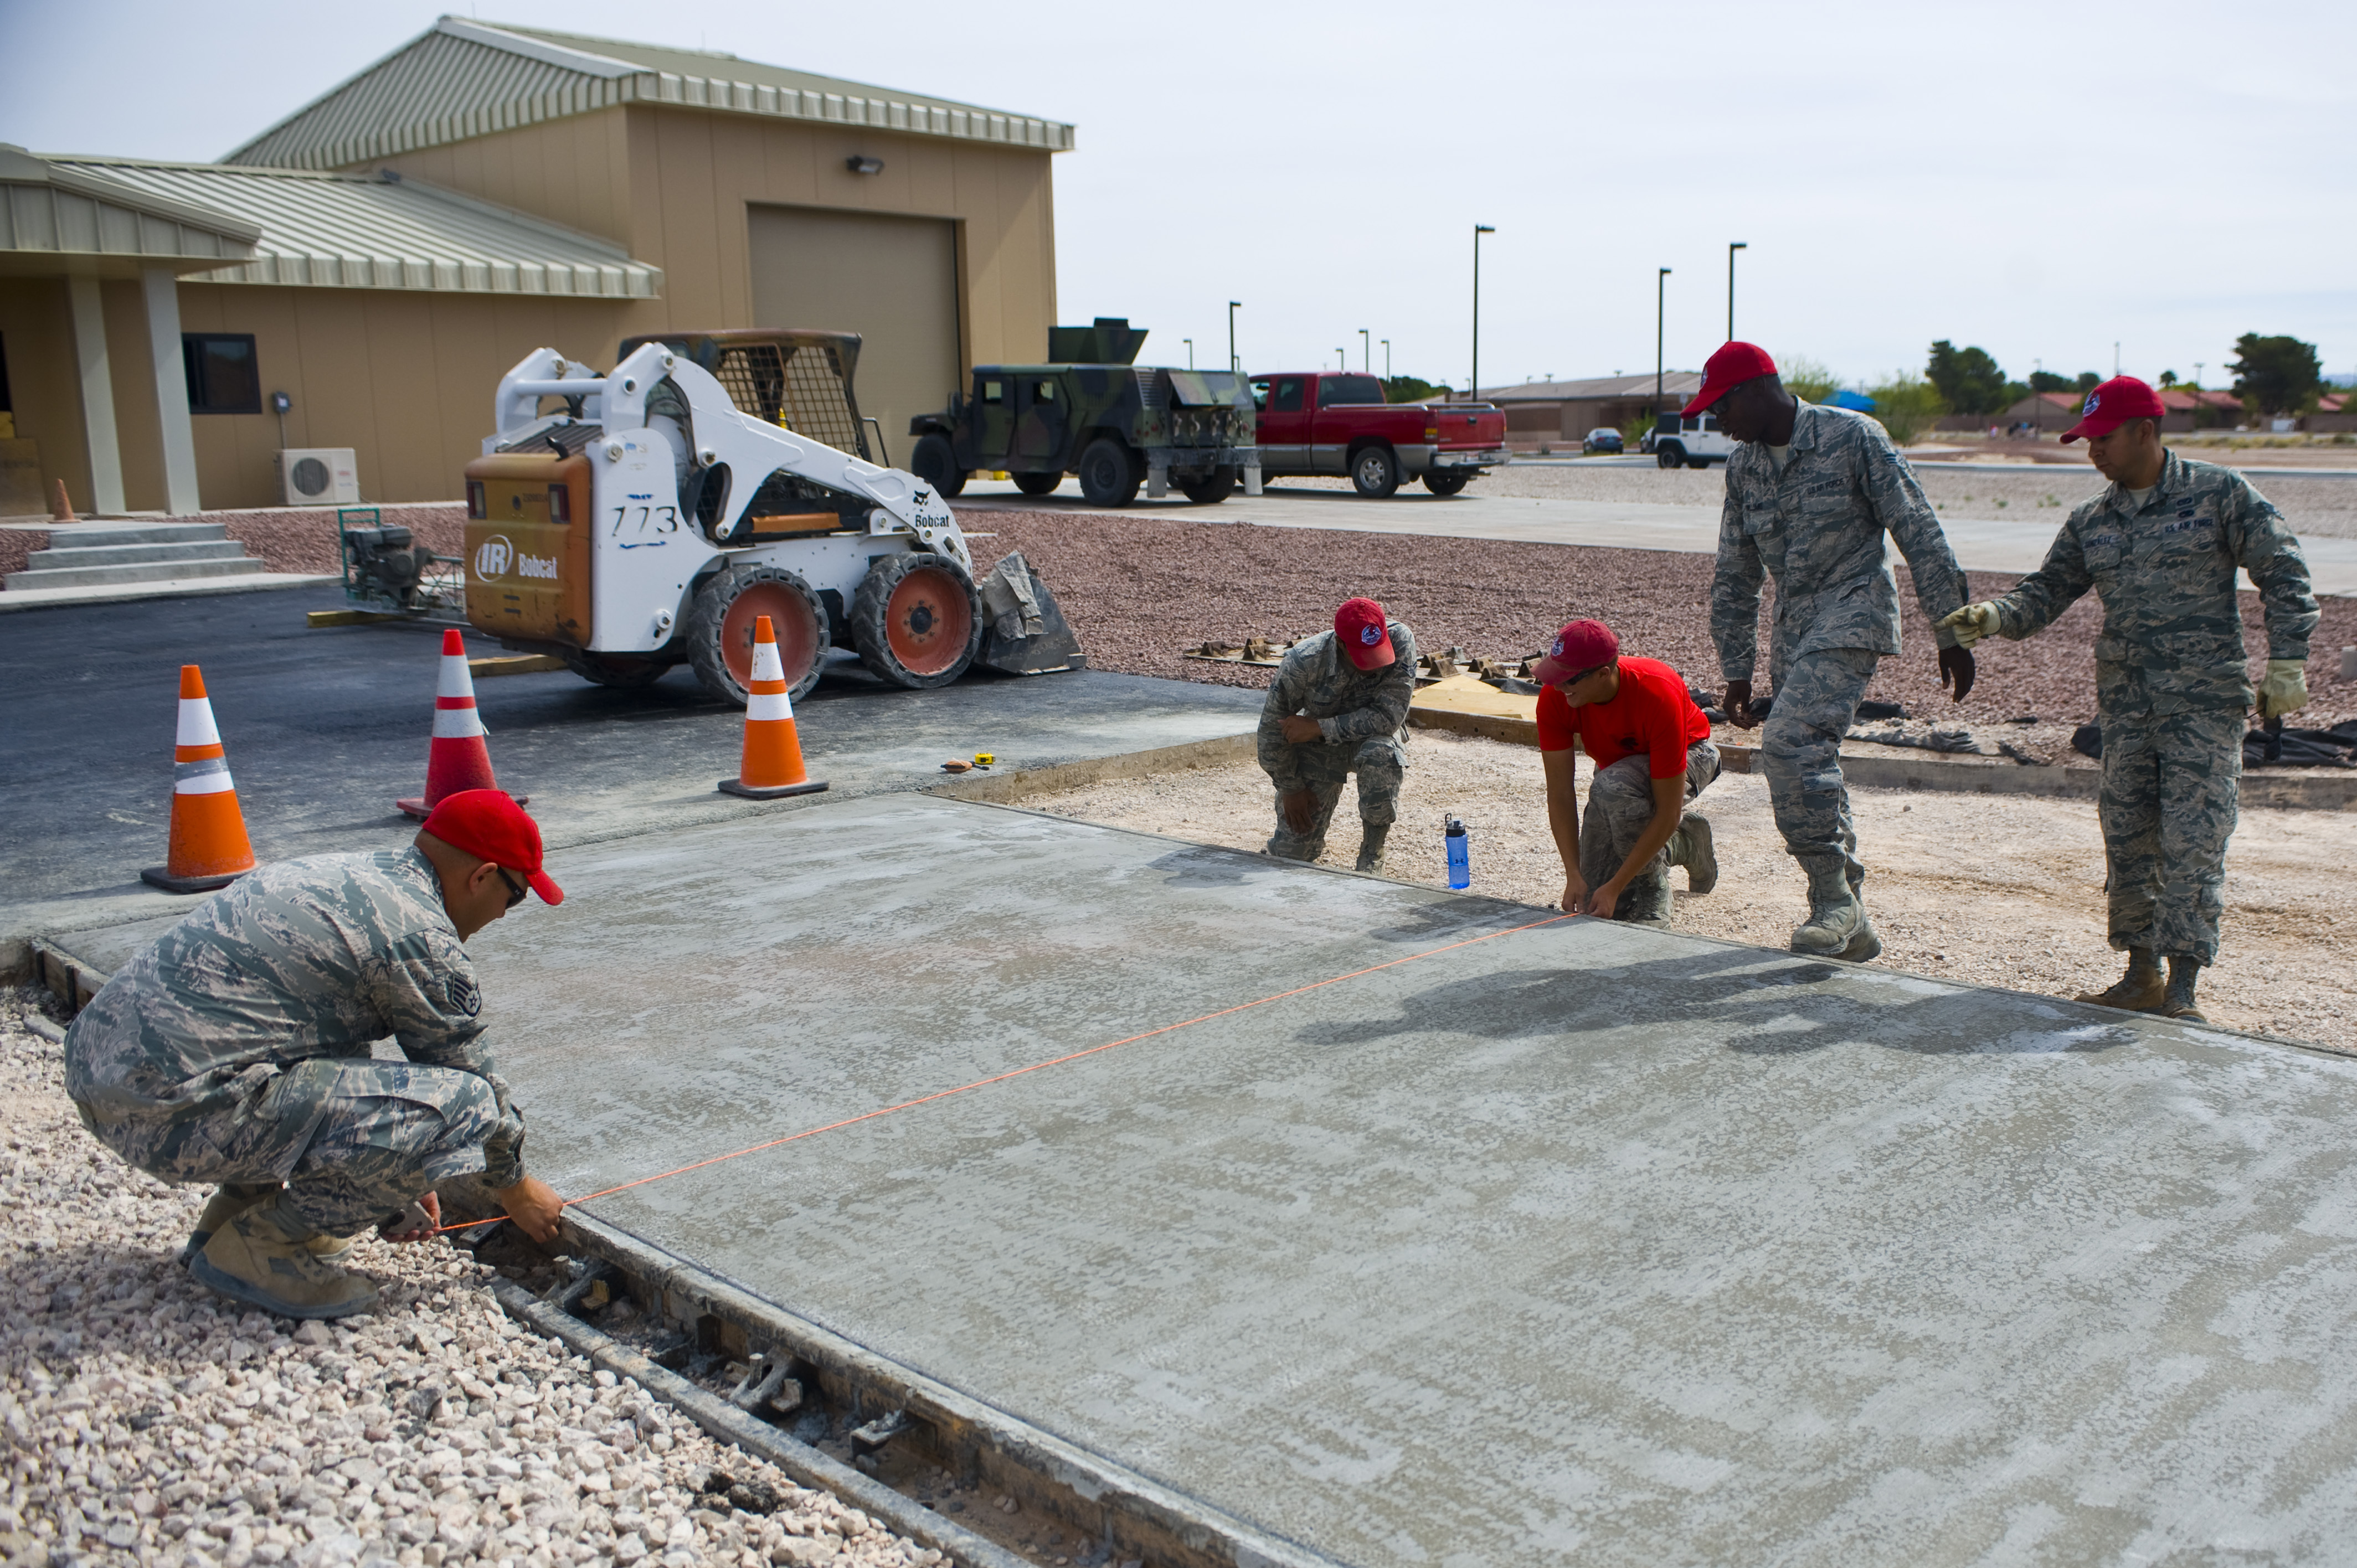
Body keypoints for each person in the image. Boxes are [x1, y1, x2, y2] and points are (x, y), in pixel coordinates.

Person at [65, 790, 568, 1319]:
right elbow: (471, 1078)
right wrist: (516, 1189)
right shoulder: (419, 933)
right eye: (515, 897)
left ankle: (237, 1216)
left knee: (321, 1045)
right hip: (164, 1116)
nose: (507, 915)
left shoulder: (338, 876)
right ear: (482, 876)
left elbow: (321, 1048)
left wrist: (388, 1177)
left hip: (99, 1077)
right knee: (466, 1105)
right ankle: (264, 1248)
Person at [1940, 377, 2317, 1023]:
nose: (2093, 452)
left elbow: (2283, 572)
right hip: (2127, 708)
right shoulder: (2093, 519)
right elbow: (2047, 590)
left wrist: (2286, 661)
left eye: (2103, 438)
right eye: (2086, 441)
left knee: (2194, 839)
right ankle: (2139, 974)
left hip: (2201, 705)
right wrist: (1995, 616)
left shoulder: (2218, 494)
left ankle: (2183, 989)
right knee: (2128, 837)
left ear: (2145, 430)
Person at [1703, 341, 1977, 961]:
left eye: (1720, 409)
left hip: (1854, 610)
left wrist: (1949, 629)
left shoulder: (1852, 437)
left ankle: (1831, 901)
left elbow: (1918, 530)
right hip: (1794, 627)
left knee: (1790, 744)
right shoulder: (1743, 466)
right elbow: (1735, 570)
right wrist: (1735, 667)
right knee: (1812, 757)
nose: (1716, 424)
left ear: (1754, 389)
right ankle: (1850, 918)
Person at [1533, 618, 1720, 924]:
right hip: (1620, 772)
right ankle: (1683, 843)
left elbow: (1668, 810)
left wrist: (1618, 885)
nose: (1557, 686)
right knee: (1598, 900)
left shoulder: (1658, 692)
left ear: (1603, 674)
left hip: (1694, 753)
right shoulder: (1556, 698)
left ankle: (1654, 888)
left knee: (1613, 789)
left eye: (1568, 680)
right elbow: (1560, 794)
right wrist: (1574, 874)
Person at [1258, 597, 1418, 874]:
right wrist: (1290, 787)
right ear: (1341, 644)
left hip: (1364, 740)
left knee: (1383, 753)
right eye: (1363, 657)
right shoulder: (1303, 661)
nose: (1374, 666)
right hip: (1318, 749)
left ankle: (1372, 851)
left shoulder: (1401, 641)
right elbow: (1271, 730)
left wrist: (1318, 727)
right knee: (1292, 857)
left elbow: (1388, 718)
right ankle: (1293, 842)